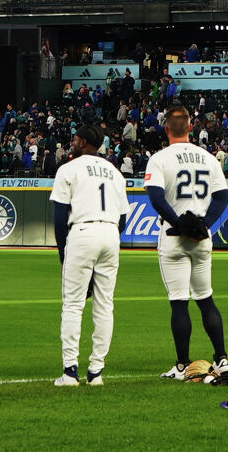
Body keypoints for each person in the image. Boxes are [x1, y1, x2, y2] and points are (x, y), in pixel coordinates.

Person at [142, 106, 228, 381]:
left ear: (166, 129)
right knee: (206, 299)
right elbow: (222, 198)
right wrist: (204, 225)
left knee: (179, 302)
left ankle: (183, 366)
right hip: (202, 240)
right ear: (191, 128)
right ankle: (223, 358)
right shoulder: (208, 157)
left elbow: (156, 197)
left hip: (173, 237)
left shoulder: (159, 159)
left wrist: (180, 224)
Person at [51, 125, 127, 386]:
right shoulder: (115, 173)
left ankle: (70, 372)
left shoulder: (69, 168)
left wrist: (64, 255)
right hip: (110, 233)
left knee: (73, 304)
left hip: (82, 232)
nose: (72, 141)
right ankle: (96, 373)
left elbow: (60, 218)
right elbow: (124, 218)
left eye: (75, 138)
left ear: (83, 142)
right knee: (105, 305)